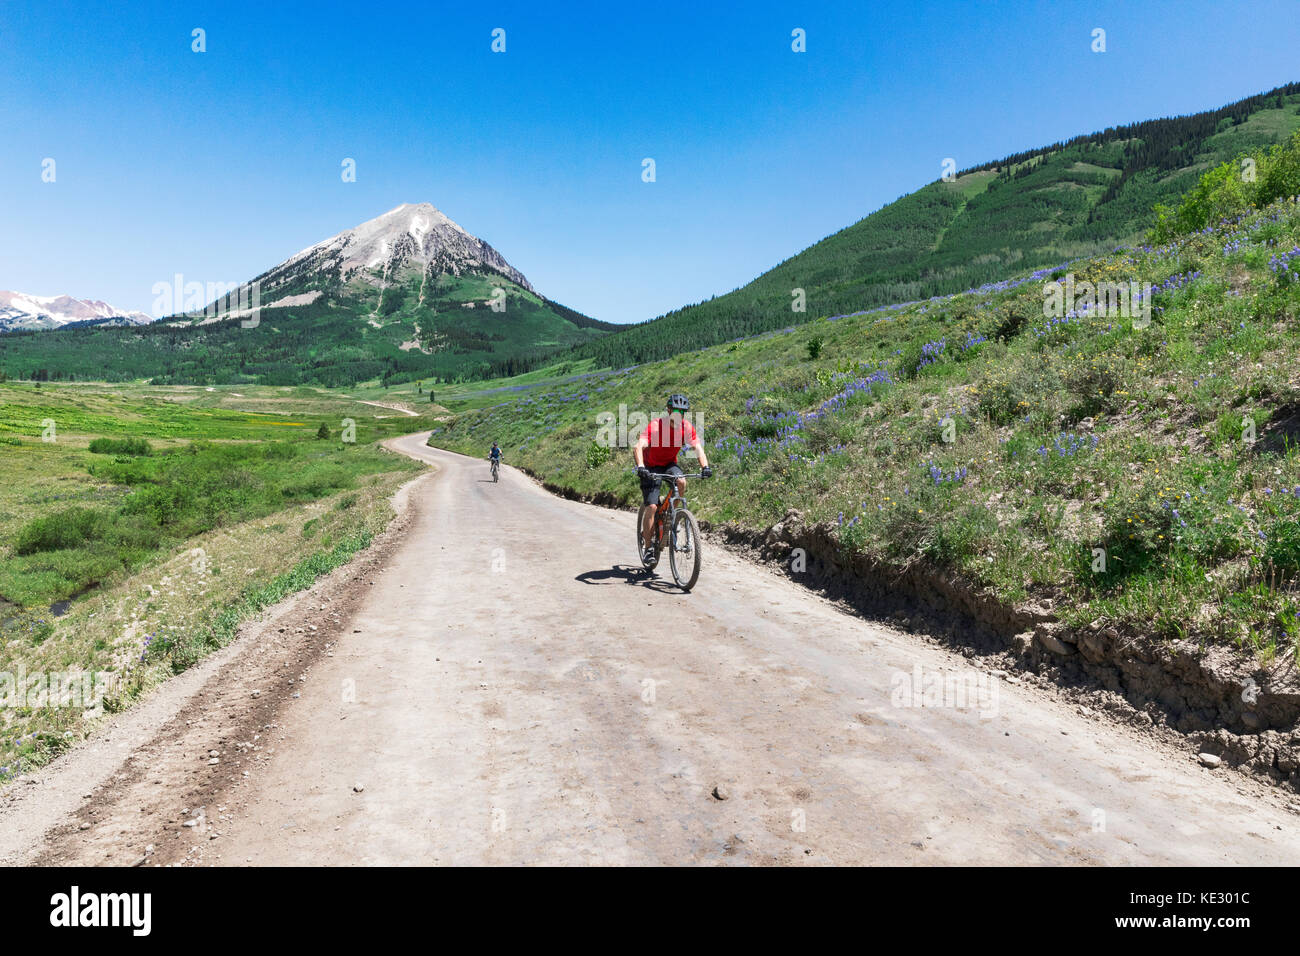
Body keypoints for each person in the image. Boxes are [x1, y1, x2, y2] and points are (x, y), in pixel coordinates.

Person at [633, 394, 711, 563]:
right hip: (650, 466)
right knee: (652, 507)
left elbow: (698, 448)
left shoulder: (686, 427)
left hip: (669, 463)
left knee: (681, 482)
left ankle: (670, 516)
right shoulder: (656, 426)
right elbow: (638, 446)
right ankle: (648, 548)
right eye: (675, 410)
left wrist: (705, 467)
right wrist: (640, 467)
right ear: (668, 410)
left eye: (682, 412)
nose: (678, 414)